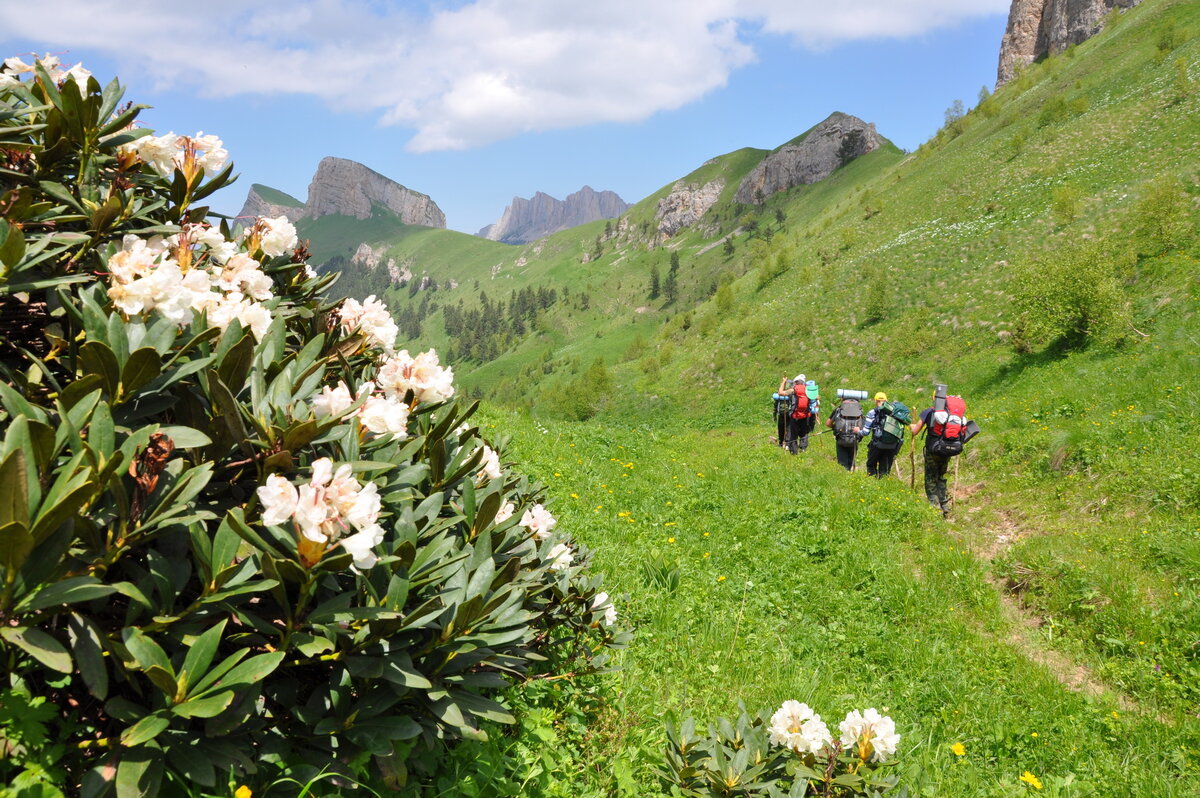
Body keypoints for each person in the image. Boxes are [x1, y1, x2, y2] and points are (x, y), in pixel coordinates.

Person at [910, 392, 968, 518]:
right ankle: (944, 504)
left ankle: (934, 506)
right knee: (941, 476)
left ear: (933, 399)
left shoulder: (929, 412)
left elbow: (915, 431)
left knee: (930, 476)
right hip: (948, 449)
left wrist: (911, 427)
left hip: (933, 449)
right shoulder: (952, 414)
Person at [860, 392, 903, 478]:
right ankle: (884, 484)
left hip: (877, 445)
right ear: (886, 400)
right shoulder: (895, 412)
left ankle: (872, 483)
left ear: (876, 401)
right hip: (892, 445)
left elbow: (865, 432)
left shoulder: (872, 412)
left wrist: (858, 431)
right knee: (885, 470)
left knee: (871, 465)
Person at [776, 373, 813, 454]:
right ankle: (803, 448)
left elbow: (780, 392)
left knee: (793, 433)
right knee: (804, 432)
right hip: (805, 415)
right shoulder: (808, 390)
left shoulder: (793, 390)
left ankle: (794, 451)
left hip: (795, 415)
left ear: (795, 382)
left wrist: (784, 382)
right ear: (803, 382)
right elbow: (816, 397)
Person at [826, 395, 863, 471]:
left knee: (842, 464)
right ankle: (851, 473)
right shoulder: (859, 410)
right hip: (854, 439)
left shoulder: (839, 409)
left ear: (842, 399)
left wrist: (835, 427)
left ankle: (844, 475)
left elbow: (828, 423)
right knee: (851, 461)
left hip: (841, 439)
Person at [771, 377, 793, 448]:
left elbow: (775, 405)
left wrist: (774, 415)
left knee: (786, 428)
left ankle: (785, 442)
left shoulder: (790, 393)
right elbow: (775, 405)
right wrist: (774, 415)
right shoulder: (781, 395)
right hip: (783, 413)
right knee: (783, 428)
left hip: (785, 413)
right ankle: (782, 442)